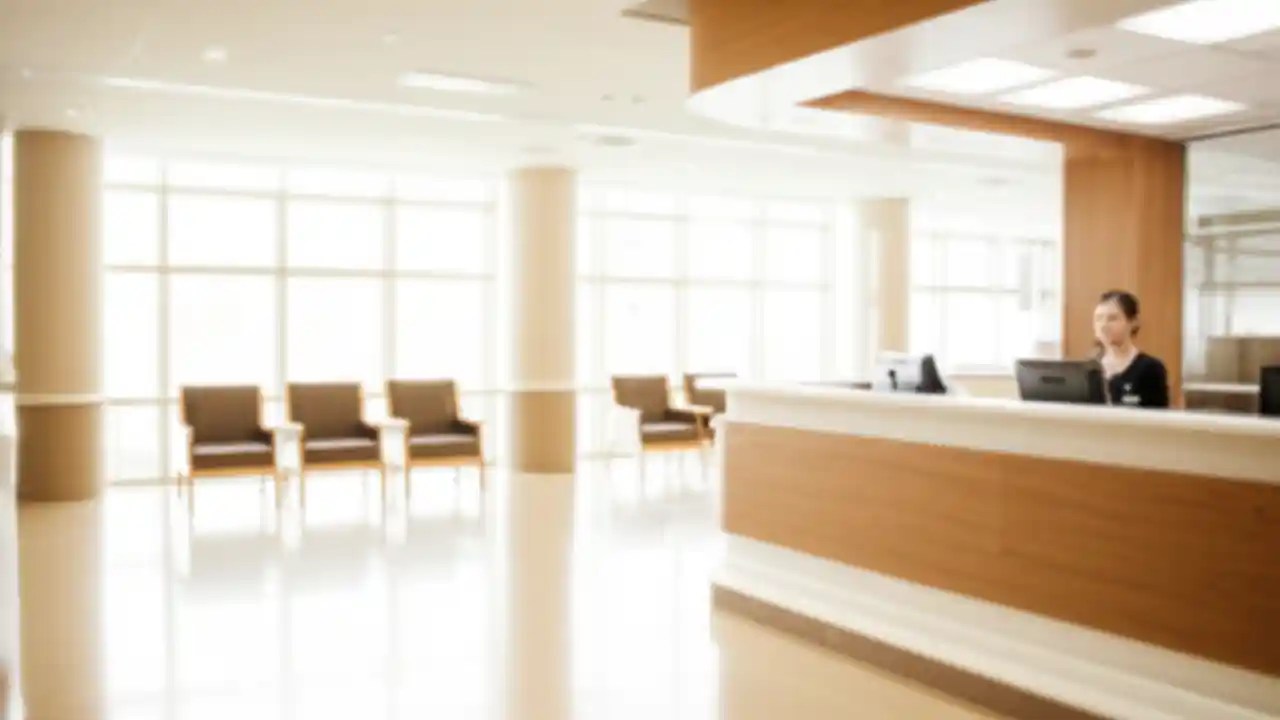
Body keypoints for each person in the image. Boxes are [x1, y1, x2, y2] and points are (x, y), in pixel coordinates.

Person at [1093, 289, 1169, 408]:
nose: (1103, 325)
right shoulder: (1088, 367)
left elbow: (1159, 420)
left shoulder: (1151, 369)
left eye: (1112, 318)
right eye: (1098, 319)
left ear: (1133, 322)